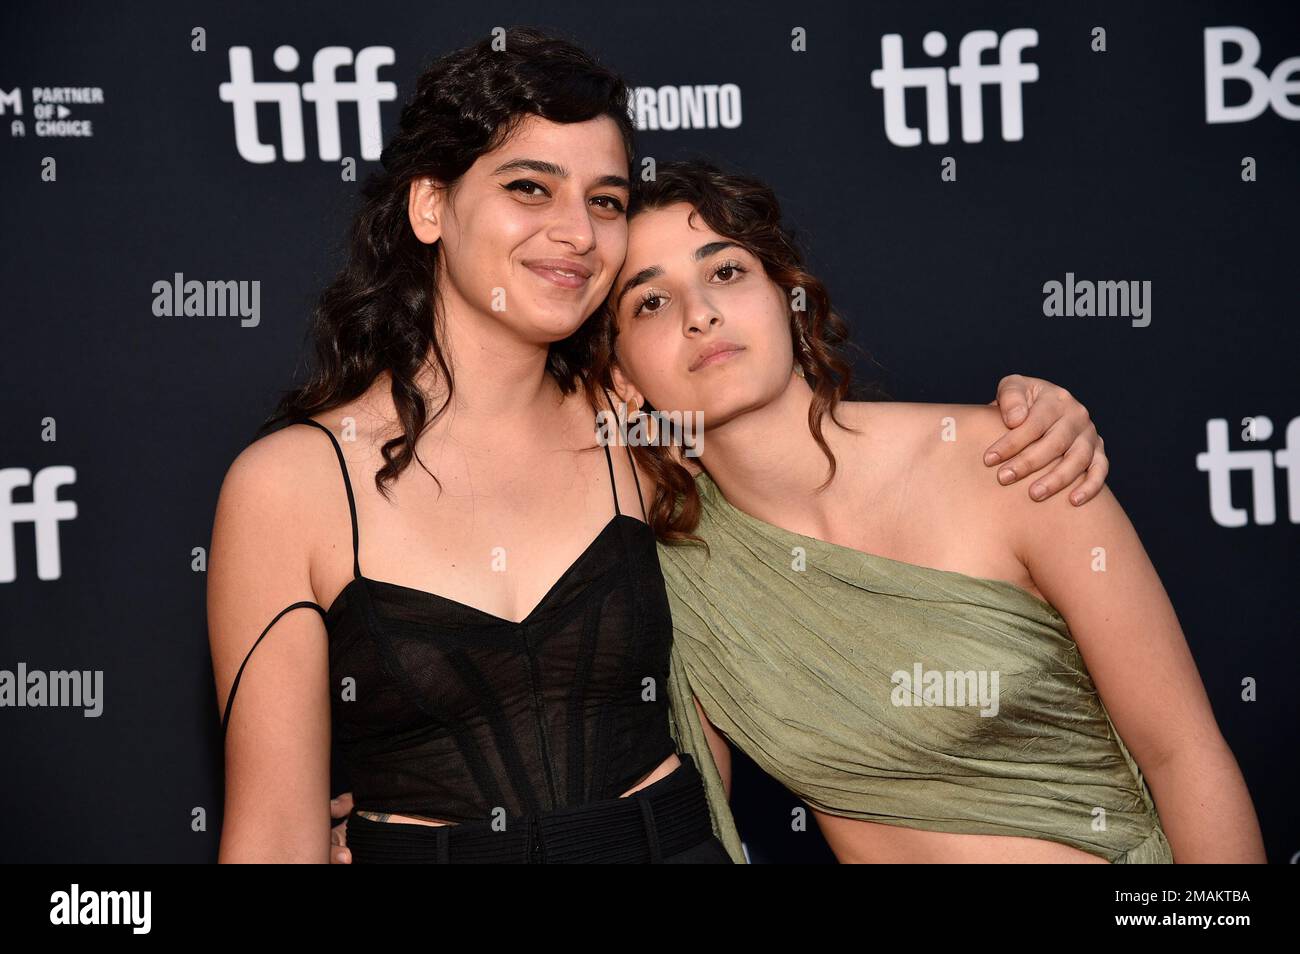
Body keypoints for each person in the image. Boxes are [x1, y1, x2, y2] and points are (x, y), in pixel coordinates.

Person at [207, 29, 1107, 864]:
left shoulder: (649, 435)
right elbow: (274, 832)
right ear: (432, 206)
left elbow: (861, 515)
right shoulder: (290, 486)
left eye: (603, 200)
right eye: (530, 187)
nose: (575, 232)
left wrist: (1032, 415)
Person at [594, 159, 1265, 863]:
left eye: (725, 272)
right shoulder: (678, 565)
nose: (700, 313)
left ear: (788, 297)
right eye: (650, 302)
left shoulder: (1015, 457)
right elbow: (685, 821)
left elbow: (1181, 754)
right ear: (621, 374)